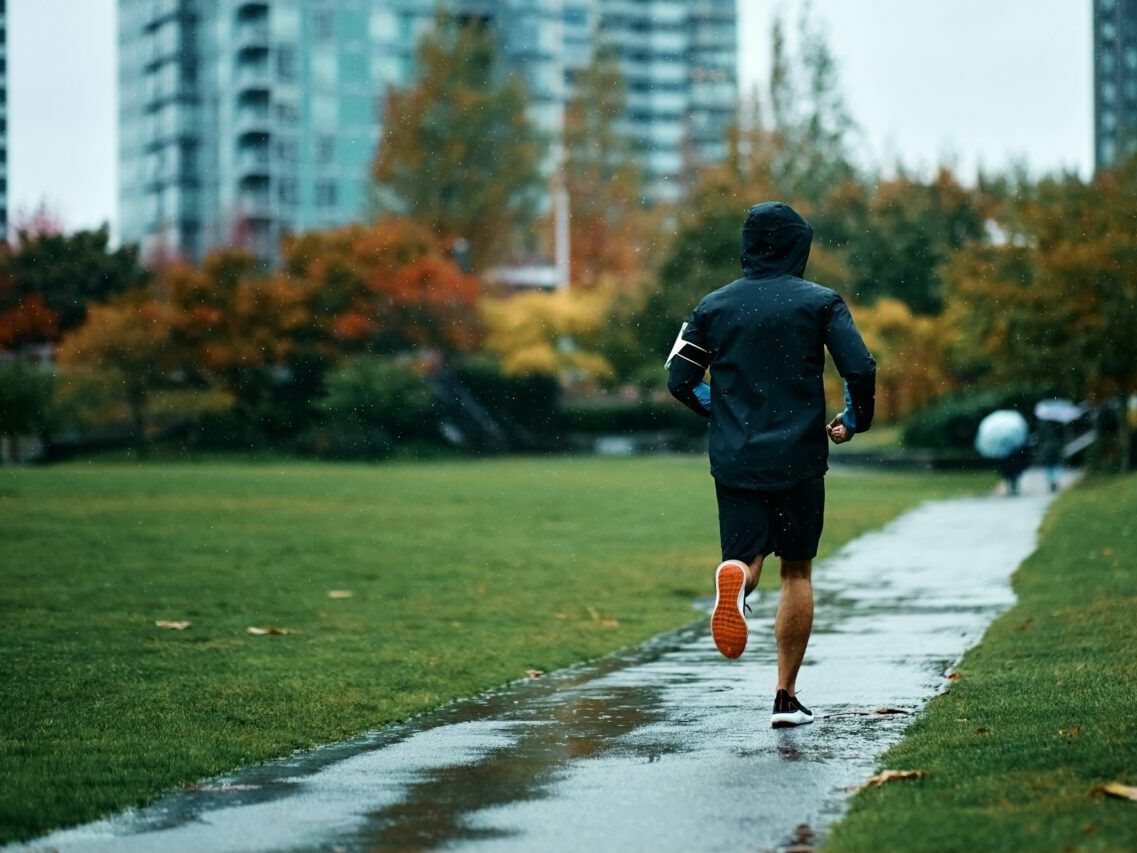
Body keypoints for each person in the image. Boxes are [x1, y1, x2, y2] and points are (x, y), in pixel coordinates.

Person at [666, 201, 876, 729]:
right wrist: (854, 420)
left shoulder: (712, 306)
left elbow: (679, 379)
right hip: (798, 455)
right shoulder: (821, 302)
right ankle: (785, 697)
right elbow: (859, 367)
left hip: (736, 455)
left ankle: (735, 577)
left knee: (747, 557)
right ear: (799, 246)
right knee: (797, 570)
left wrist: (723, 411)